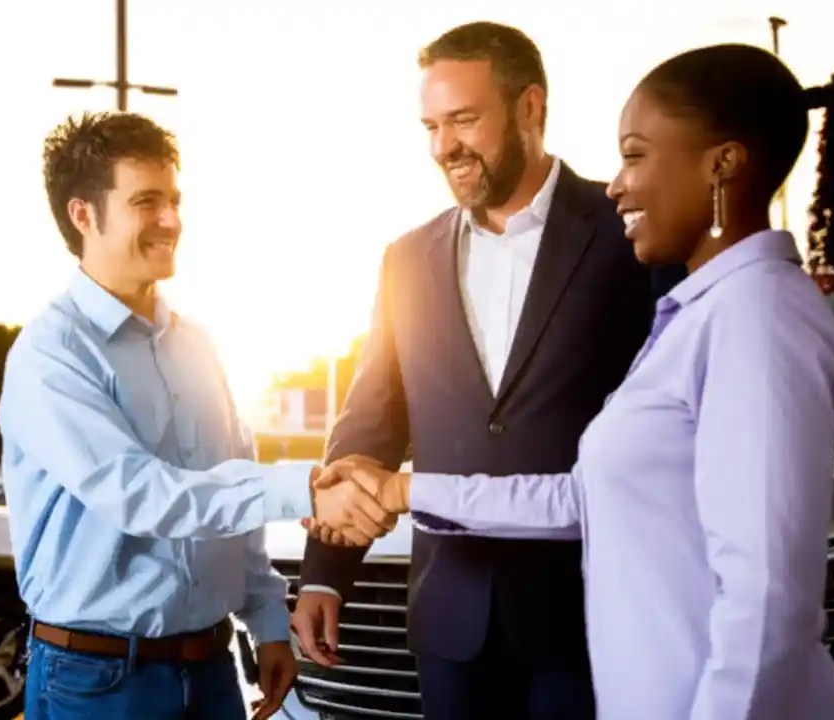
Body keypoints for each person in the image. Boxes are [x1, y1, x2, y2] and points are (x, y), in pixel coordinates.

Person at [308, 44, 834, 719]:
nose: (617, 185)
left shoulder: (759, 317)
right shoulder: (701, 315)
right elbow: (581, 499)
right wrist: (399, 490)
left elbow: (766, 604)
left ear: (722, 163)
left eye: (636, 156)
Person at [291, 20, 683, 720]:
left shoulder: (631, 232)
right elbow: (371, 422)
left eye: (464, 119)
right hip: (452, 620)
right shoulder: (406, 259)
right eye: (432, 125)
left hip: (592, 613)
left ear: (530, 107)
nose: (444, 145)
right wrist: (325, 574)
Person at [0, 111, 393, 720]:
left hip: (212, 671)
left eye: (174, 200)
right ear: (84, 215)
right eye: (146, 202)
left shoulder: (198, 345)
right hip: (98, 684)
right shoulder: (51, 355)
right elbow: (141, 495)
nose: (171, 220)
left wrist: (267, 622)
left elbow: (233, 498)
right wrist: (309, 489)